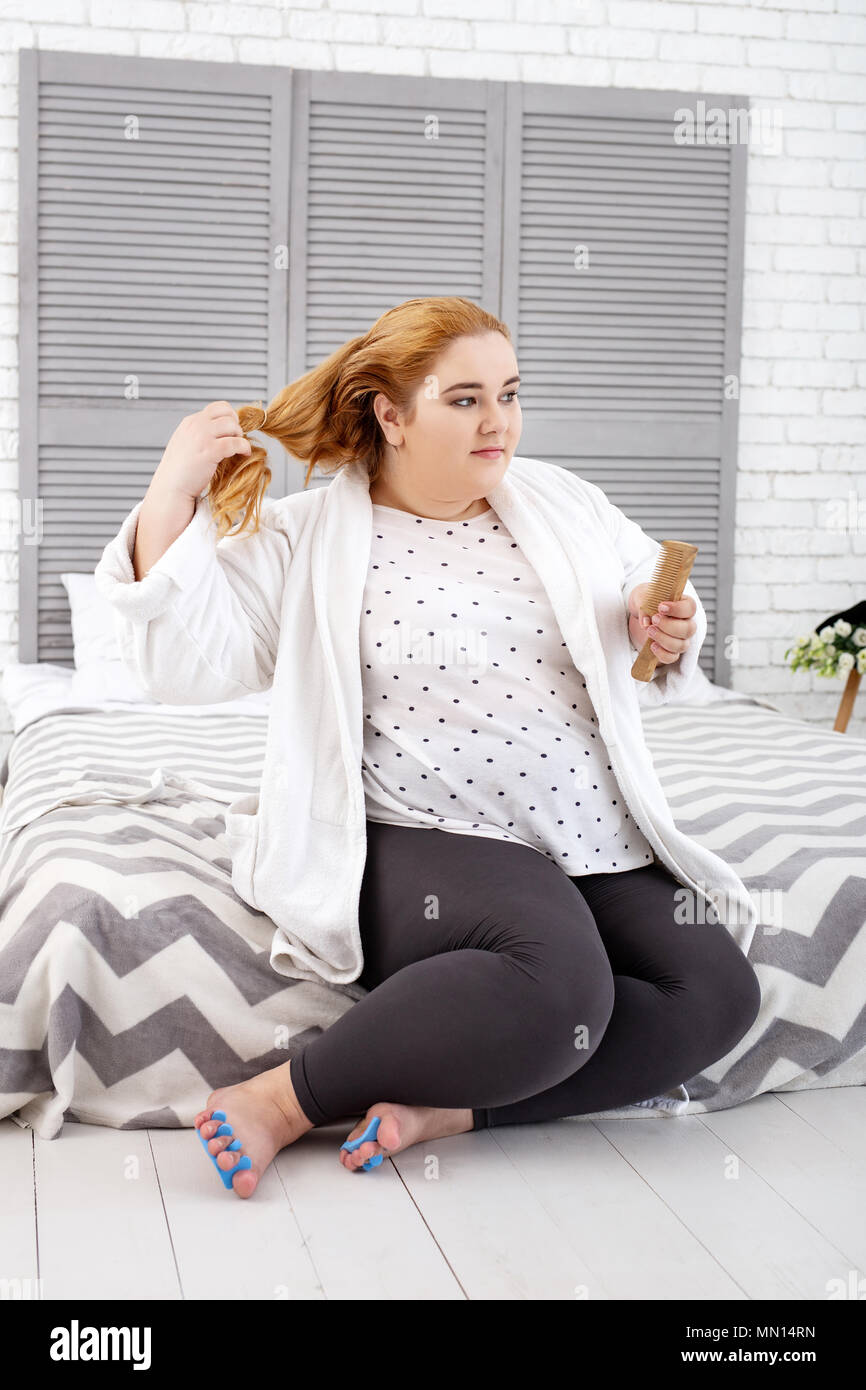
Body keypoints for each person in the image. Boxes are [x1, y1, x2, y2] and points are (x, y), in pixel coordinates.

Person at [124, 297, 761, 1198]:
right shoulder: (309, 536)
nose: (497, 420)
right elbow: (182, 661)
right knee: (561, 986)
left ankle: (457, 1110)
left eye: (508, 392)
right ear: (392, 414)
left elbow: (635, 588)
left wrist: (659, 624)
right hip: (423, 832)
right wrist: (171, 490)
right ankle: (282, 1098)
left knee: (720, 992)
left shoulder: (560, 501)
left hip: (581, 828)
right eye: (464, 399)